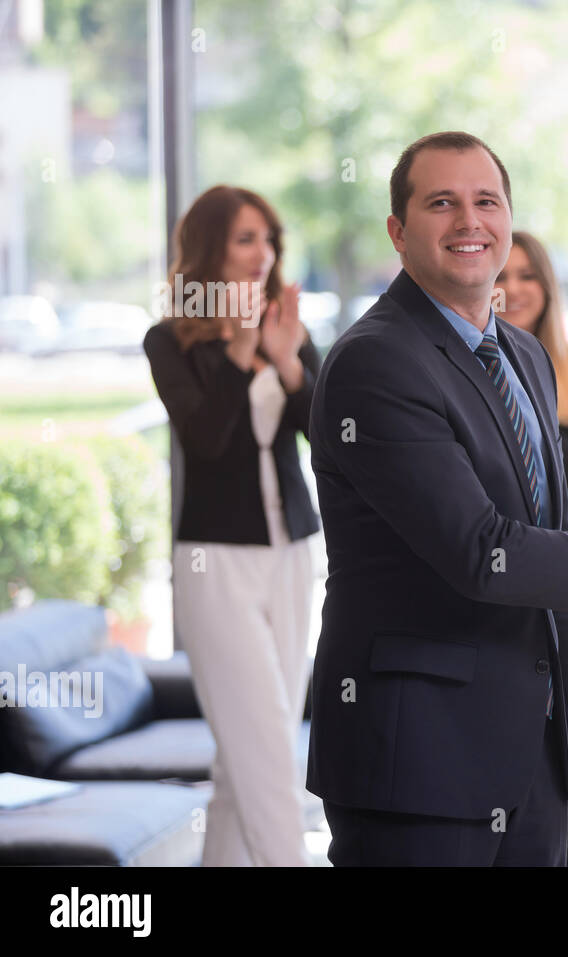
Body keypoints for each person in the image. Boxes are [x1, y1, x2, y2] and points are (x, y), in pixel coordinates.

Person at [305, 131, 568, 866]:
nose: (469, 221)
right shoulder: (376, 362)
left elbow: (550, 536)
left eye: (486, 201)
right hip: (420, 768)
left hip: (535, 760)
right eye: (442, 203)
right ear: (398, 233)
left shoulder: (525, 354)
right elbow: (483, 552)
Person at [143, 185, 319, 866]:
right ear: (210, 249)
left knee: (241, 762)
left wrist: (287, 358)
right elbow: (207, 438)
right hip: (214, 560)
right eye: (247, 238)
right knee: (268, 746)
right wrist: (244, 349)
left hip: (293, 552)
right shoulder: (170, 341)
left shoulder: (289, 329)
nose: (263, 253)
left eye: (269, 239)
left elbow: (329, 434)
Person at [494, 230, 568, 867]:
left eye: (527, 276)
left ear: (547, 287)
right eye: (503, 276)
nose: (512, 289)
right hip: (504, 560)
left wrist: (524, 386)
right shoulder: (478, 366)